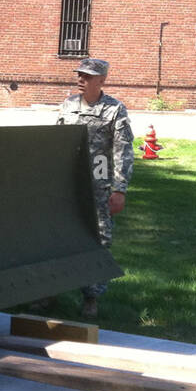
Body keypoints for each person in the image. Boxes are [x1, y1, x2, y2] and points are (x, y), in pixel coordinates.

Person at [55, 57, 134, 319]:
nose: (81, 79)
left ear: (101, 80)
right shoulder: (67, 106)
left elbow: (122, 151)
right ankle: (47, 292)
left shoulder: (114, 110)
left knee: (99, 239)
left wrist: (119, 189)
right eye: (80, 75)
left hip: (99, 187)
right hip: (68, 185)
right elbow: (54, 143)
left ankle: (91, 296)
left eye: (87, 76)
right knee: (58, 237)